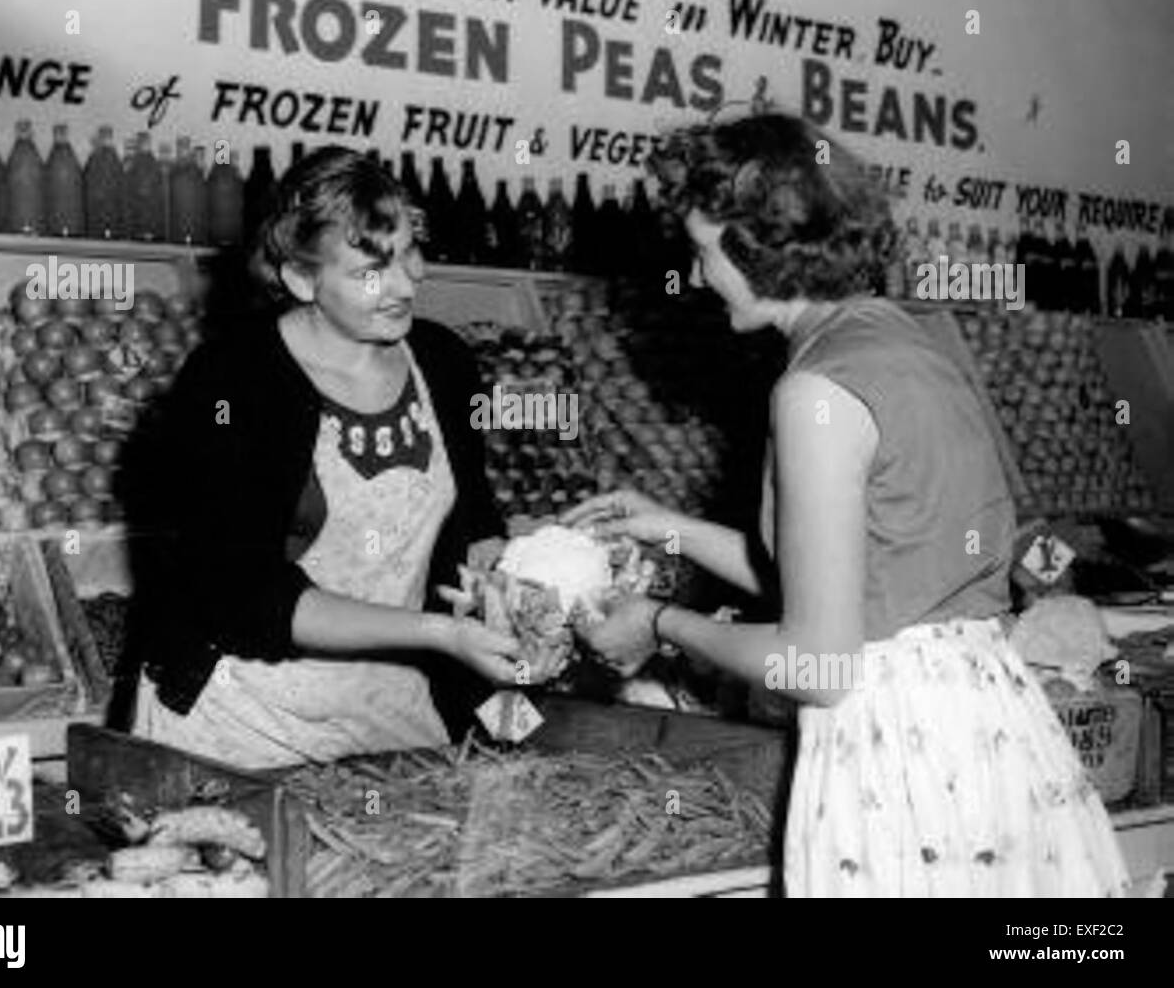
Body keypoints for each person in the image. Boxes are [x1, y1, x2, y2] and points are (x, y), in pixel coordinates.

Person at [565, 114, 1129, 898]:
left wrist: (657, 623)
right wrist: (672, 530)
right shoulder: (907, 342)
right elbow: (866, 576)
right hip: (992, 736)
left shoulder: (812, 392)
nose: (698, 278)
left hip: (897, 757)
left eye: (703, 252)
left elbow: (821, 664)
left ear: (757, 242)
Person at [126, 146, 518, 769]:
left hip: (390, 714)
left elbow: (472, 519)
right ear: (302, 279)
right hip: (245, 721)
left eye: (410, 251)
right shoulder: (231, 382)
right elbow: (243, 594)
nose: (406, 282)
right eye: (371, 269)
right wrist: (442, 635)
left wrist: (519, 588)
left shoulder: (443, 363)